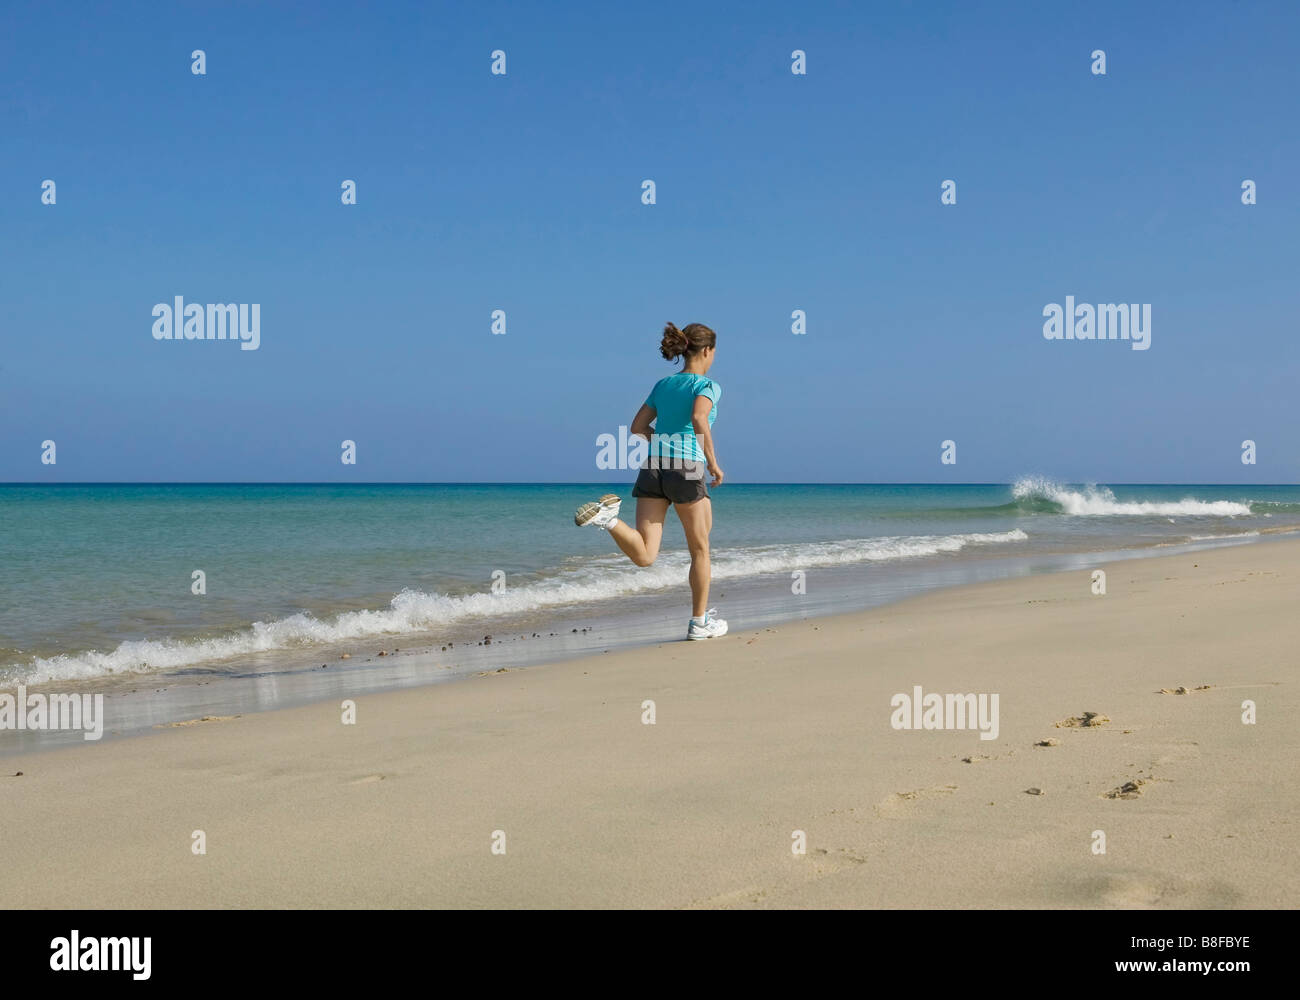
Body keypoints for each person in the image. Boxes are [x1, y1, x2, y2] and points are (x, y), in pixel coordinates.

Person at [575, 322, 727, 640]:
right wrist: (713, 462)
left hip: (654, 467)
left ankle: (608, 521)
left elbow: (637, 426)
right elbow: (699, 417)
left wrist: (661, 439)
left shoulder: (664, 384)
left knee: (645, 555)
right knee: (701, 550)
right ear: (707, 351)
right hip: (687, 468)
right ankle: (699, 623)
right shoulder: (707, 386)